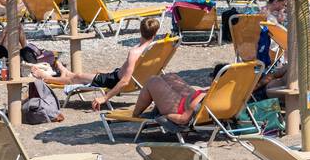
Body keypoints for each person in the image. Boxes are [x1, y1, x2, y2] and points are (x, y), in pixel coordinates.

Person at [31, 16, 162, 110]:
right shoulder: (156, 48)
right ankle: (66, 72)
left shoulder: (135, 52)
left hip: (112, 80)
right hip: (123, 77)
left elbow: (124, 81)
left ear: (140, 30)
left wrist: (104, 98)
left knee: (76, 78)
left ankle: (46, 77)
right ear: (155, 32)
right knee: (85, 74)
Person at [131, 65, 222, 125]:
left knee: (153, 80)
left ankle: (135, 114)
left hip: (178, 109)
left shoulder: (204, 97)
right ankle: (156, 107)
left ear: (214, 79)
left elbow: (183, 119)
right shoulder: (227, 93)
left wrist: (166, 116)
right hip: (188, 100)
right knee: (170, 76)